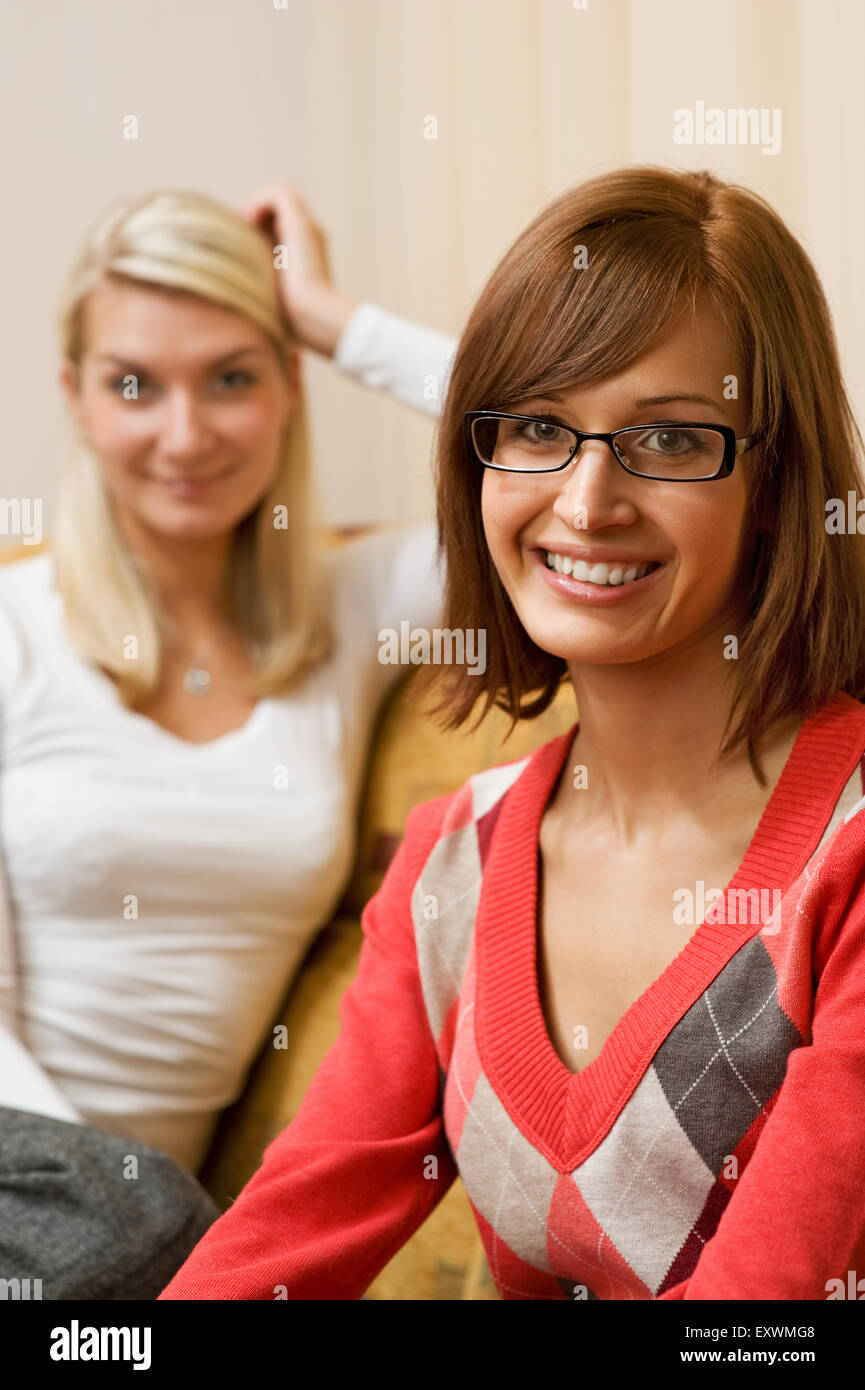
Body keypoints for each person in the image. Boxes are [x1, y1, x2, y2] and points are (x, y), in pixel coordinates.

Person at [159, 164, 865, 1301]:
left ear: (776, 481)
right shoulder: (453, 864)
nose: (586, 503)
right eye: (538, 427)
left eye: (672, 442)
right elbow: (277, 1247)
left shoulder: (848, 855)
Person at [0, 185, 456, 1297]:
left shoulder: (355, 608)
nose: (186, 434)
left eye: (233, 377)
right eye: (134, 386)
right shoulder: (13, 635)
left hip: (135, 1240)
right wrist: (115, 1204)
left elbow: (580, 458)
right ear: (75, 396)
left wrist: (340, 319)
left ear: (293, 383)